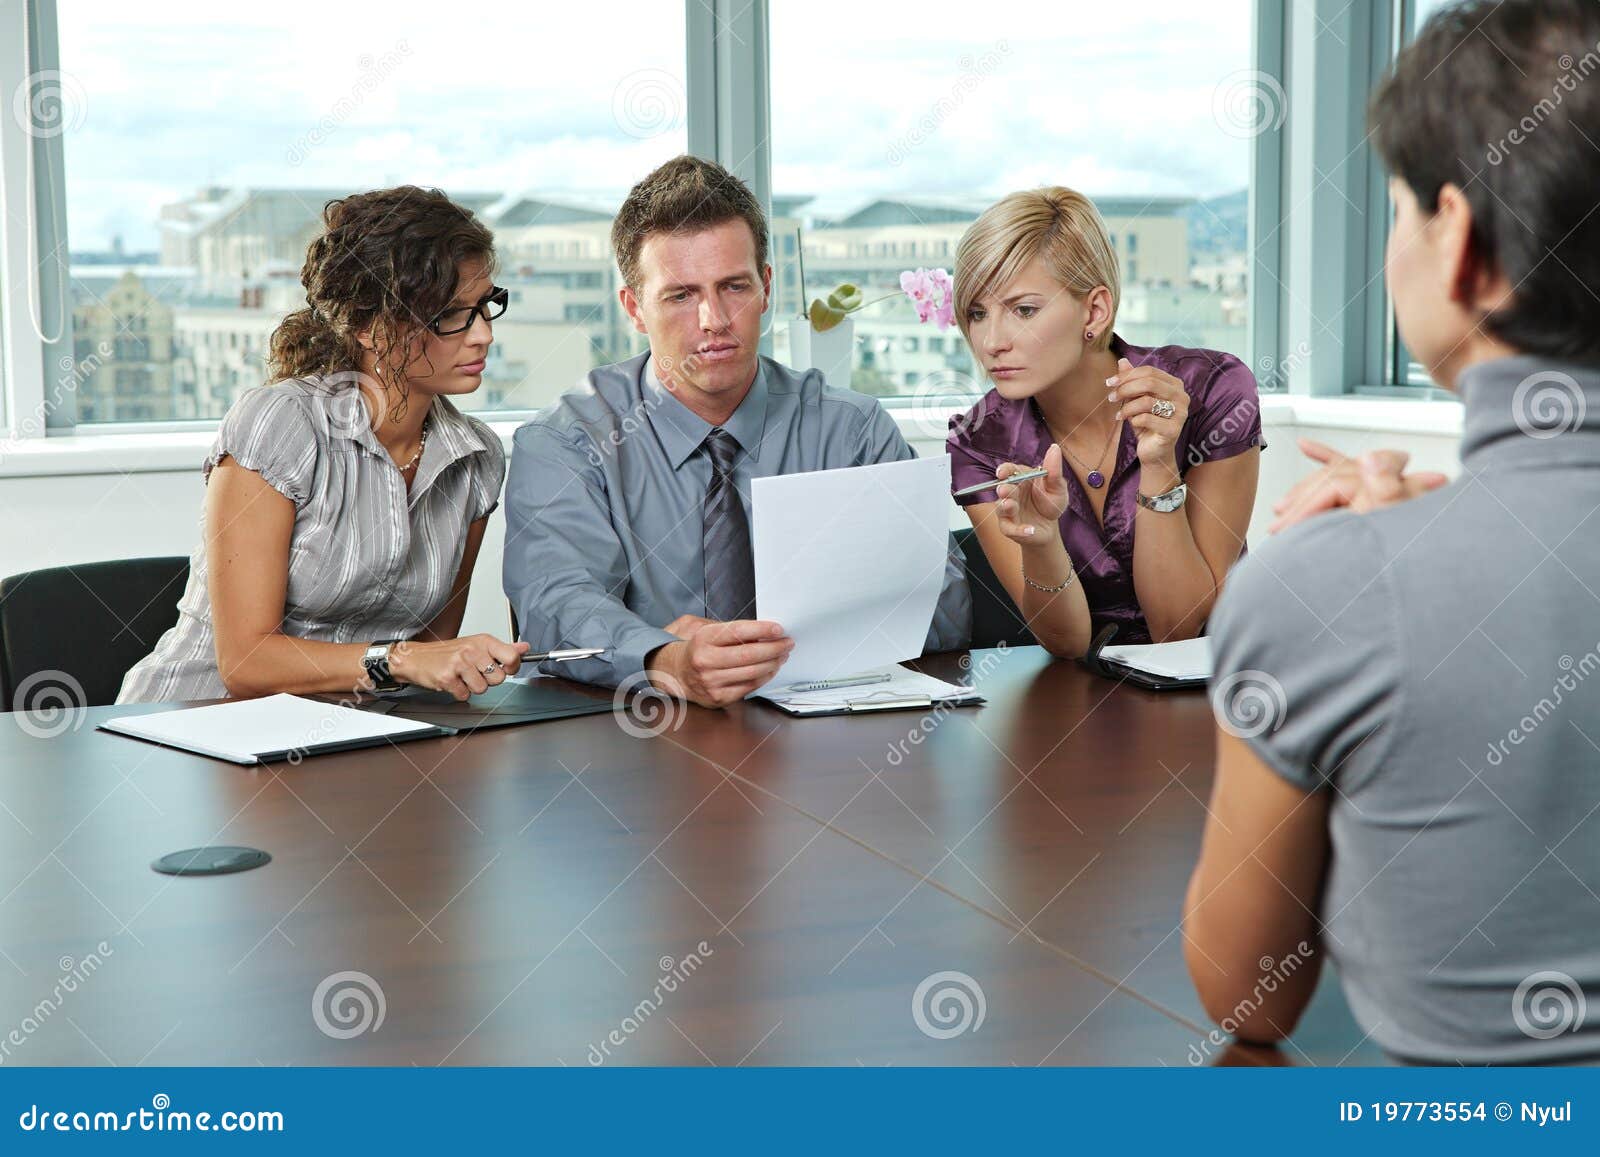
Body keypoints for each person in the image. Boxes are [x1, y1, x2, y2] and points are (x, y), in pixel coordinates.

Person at [1185, 0, 1600, 1064]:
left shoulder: (1314, 589)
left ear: (1456, 240)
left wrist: (1349, 583)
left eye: (1400, 208)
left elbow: (1247, 996)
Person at [503, 155, 971, 708]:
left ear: (766, 287)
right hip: (640, 747)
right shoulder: (568, 443)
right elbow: (558, 610)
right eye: (680, 295)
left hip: (829, 745)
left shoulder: (853, 432)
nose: (713, 320)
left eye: (734, 287)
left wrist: (784, 646)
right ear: (633, 307)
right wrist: (661, 659)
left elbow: (945, 610)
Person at [118, 186, 526, 704]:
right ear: (368, 328)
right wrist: (400, 660)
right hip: (195, 725)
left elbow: (433, 657)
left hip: (351, 738)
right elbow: (246, 663)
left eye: (486, 306)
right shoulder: (281, 424)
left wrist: (462, 665)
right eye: (449, 314)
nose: (483, 335)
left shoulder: (478, 458)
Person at [946, 187, 1262, 658]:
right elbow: (1067, 644)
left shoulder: (1214, 389)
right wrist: (1041, 542)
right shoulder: (980, 443)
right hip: (1082, 703)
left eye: (1024, 310)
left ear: (1094, 311)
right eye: (977, 313)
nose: (991, 341)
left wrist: (1158, 466)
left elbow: (1178, 628)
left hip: (1229, 685)